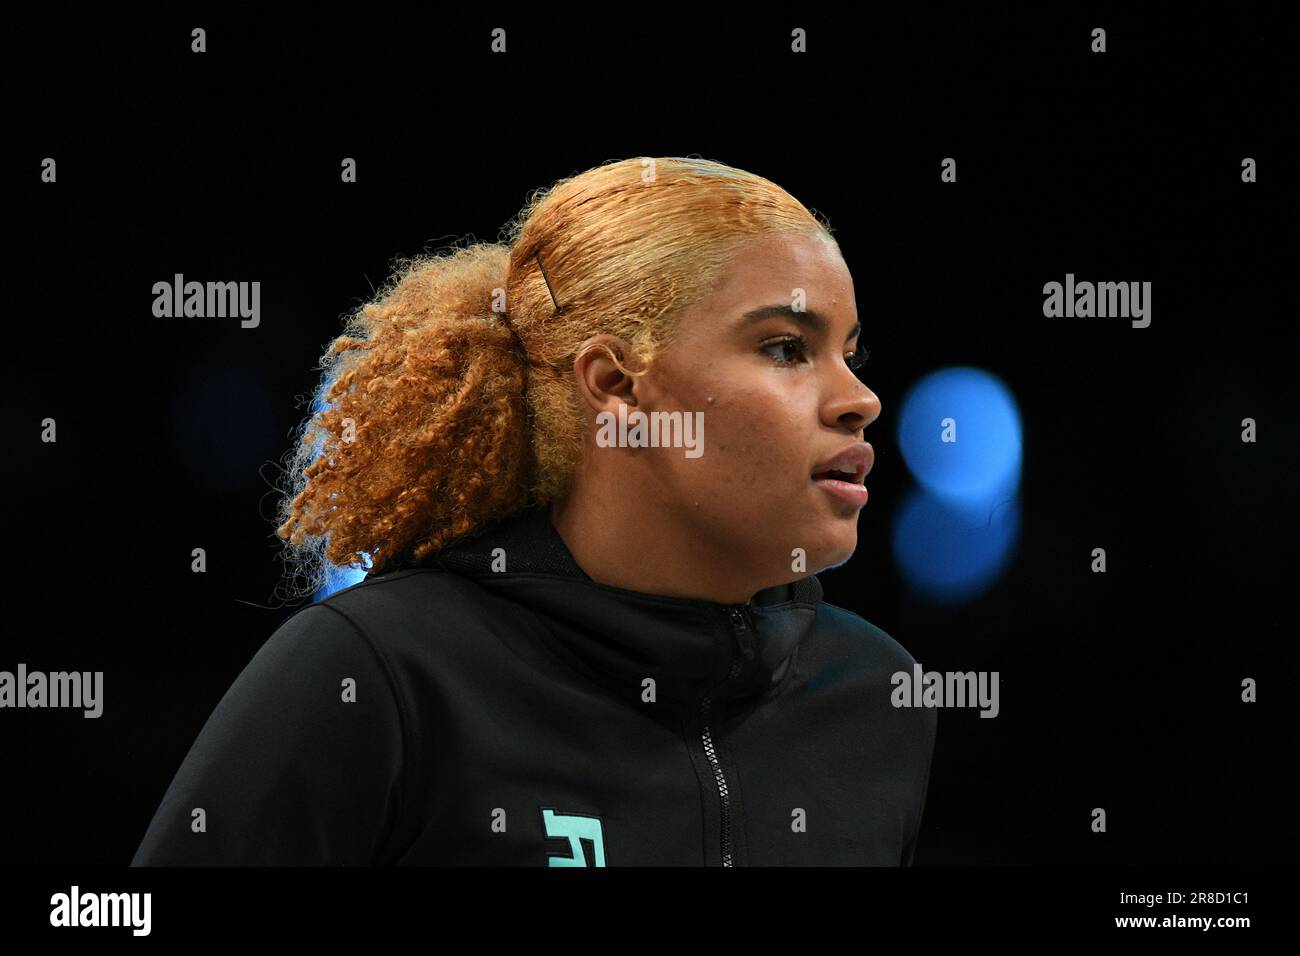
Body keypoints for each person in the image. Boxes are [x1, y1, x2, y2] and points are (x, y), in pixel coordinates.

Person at [131, 156, 937, 866]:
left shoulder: (877, 694)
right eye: (786, 348)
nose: (859, 399)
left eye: (849, 352)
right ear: (617, 387)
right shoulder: (380, 673)